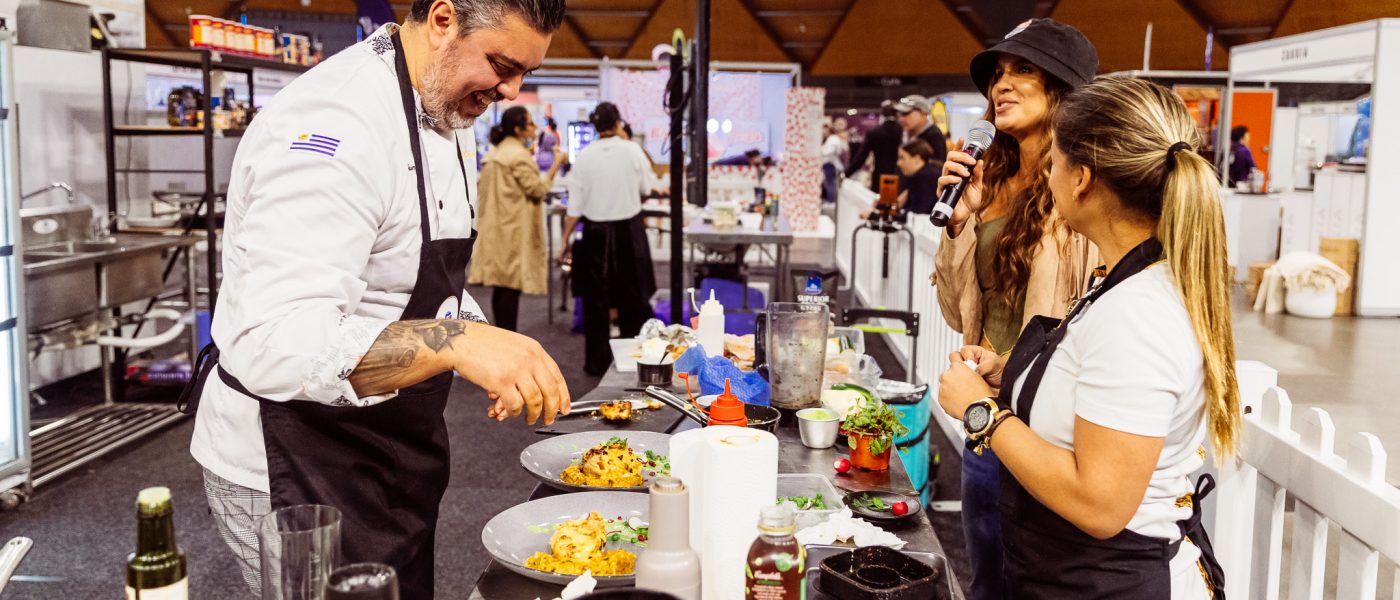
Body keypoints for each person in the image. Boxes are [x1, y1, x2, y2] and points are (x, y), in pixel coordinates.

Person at [183, 2, 570, 597]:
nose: (512, 90)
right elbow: (274, 341)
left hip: (387, 447)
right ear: (443, 20)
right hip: (296, 461)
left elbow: (406, 273)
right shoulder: (334, 122)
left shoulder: (442, 108)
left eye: (525, 72)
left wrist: (479, 332)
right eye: (500, 64)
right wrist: (457, 341)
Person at [937, 75, 1234, 598]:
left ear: (1081, 179)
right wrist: (1010, 371)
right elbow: (1093, 379)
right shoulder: (1122, 282)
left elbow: (1100, 504)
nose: (1045, 177)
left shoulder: (1138, 314)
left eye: (1052, 162)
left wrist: (980, 410)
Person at [931, 18, 1099, 600]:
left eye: (1021, 70)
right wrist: (959, 222)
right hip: (990, 418)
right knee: (986, 582)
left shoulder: (1084, 189)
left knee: (1031, 584)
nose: (1002, 84)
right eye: (997, 74)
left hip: (1052, 430)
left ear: (1063, 87)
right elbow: (957, 312)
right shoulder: (989, 179)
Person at [560, 102, 657, 375]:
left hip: (594, 235)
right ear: (618, 123)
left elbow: (574, 208)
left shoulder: (585, 156)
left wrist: (565, 241)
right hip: (629, 231)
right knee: (634, 298)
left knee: (595, 302)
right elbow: (646, 188)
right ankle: (637, 360)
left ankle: (596, 362)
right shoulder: (632, 150)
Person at [469, 106, 567, 331]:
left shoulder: (496, 153)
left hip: (497, 228)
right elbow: (538, 189)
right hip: (512, 231)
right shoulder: (518, 156)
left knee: (501, 287)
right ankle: (507, 338)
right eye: (531, 123)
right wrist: (556, 164)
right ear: (518, 129)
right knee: (508, 289)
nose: (534, 127)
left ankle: (504, 336)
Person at [846, 102, 903, 193]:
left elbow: (861, 157)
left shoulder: (874, 132)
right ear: (897, 114)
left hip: (880, 177)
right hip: (901, 177)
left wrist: (847, 174)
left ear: (882, 114)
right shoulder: (903, 131)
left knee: (881, 204)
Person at [894, 94, 949, 172]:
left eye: (906, 113)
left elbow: (937, 168)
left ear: (923, 113)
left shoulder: (934, 136)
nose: (901, 119)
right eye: (899, 114)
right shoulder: (905, 134)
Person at [896, 139, 939, 214]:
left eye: (902, 158)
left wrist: (873, 215)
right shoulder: (929, 172)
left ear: (916, 158)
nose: (898, 163)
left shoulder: (924, 177)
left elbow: (917, 213)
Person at [821, 121, 849, 201]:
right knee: (830, 184)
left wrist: (819, 150)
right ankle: (831, 201)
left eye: (823, 129)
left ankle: (831, 201)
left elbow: (828, 152)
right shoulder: (832, 139)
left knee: (831, 185)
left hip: (831, 165)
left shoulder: (833, 139)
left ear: (828, 129)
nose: (822, 131)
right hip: (830, 165)